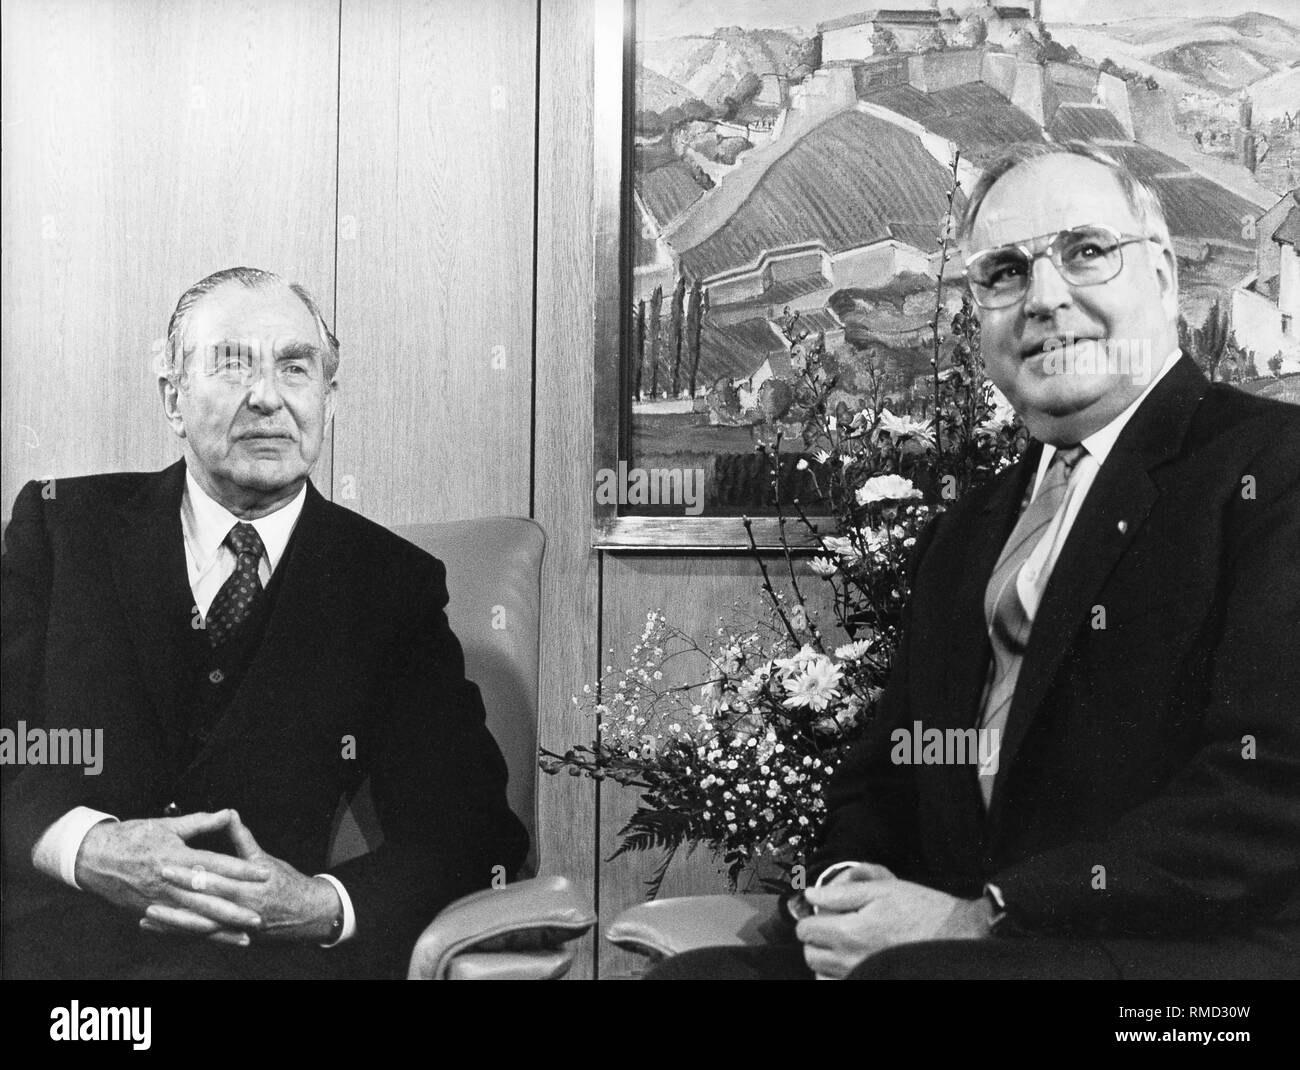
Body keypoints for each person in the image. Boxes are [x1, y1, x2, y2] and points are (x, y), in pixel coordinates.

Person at [649, 143, 1300, 980]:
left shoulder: (1273, 470)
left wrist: (990, 915)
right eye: (1004, 273)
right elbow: (901, 763)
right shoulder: (973, 526)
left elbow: (1272, 787)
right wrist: (849, 888)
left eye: (1087, 252)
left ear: (1165, 274)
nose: (1044, 299)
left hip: (1185, 967)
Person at [1, 267, 528, 979]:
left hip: (267, 966)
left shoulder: (389, 584)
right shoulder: (64, 530)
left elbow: (472, 832)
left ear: (328, 399)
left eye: (295, 367)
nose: (267, 397)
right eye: (232, 365)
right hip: (61, 963)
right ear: (173, 398)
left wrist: (319, 904)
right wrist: (85, 848)